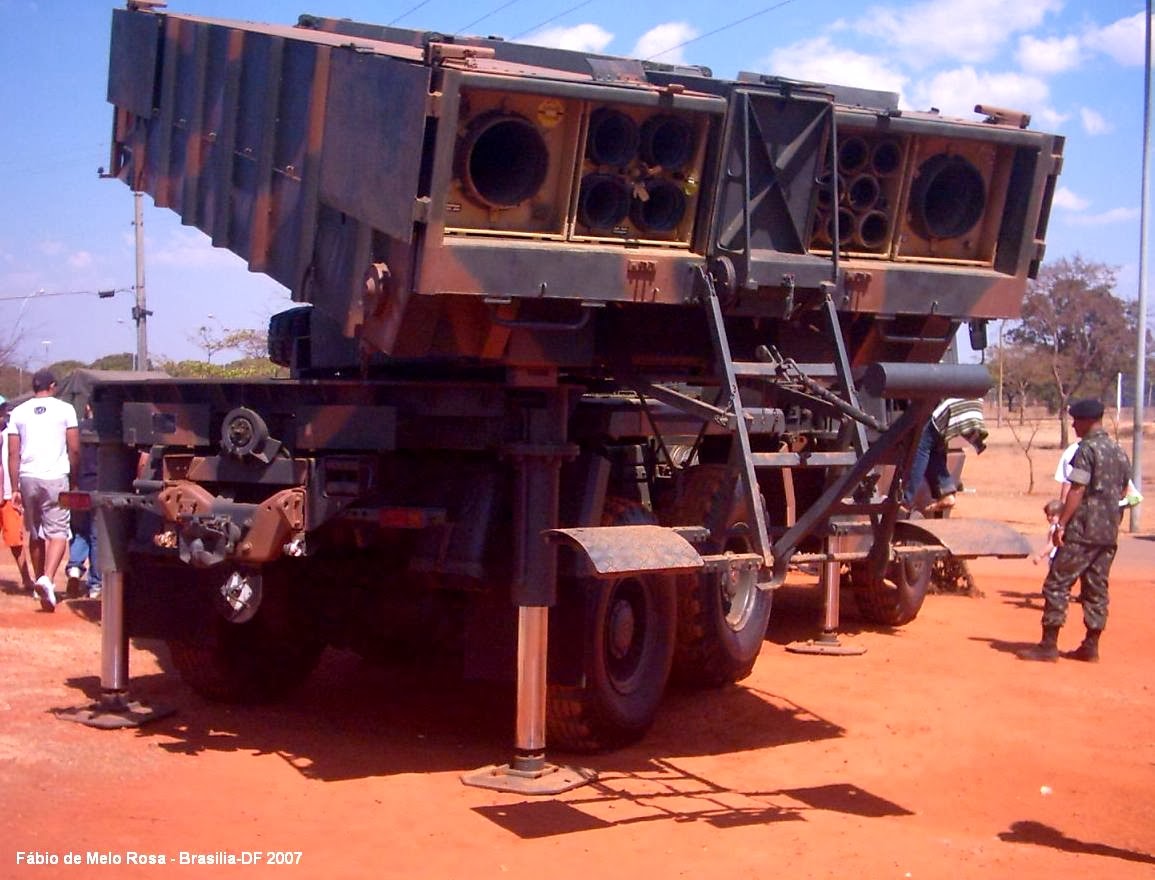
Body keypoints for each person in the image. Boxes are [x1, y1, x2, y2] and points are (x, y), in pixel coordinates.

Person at [1019, 398, 1131, 663]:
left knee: (1057, 583)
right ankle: (1091, 646)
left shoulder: (1086, 450)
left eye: (1076, 420)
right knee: (1096, 588)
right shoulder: (1118, 451)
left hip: (1083, 530)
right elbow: (1125, 490)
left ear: (1087, 421)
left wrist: (1062, 523)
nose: (1073, 425)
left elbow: (1077, 489)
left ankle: (1048, 646)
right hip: (1108, 532)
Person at [6, 370, 79, 612]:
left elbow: (13, 454)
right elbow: (74, 447)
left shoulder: (19, 411)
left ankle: (39, 581)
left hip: (28, 476)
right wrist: (74, 478)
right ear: (53, 386)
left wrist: (15, 486)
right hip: (56, 476)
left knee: (35, 531)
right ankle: (47, 578)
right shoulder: (65, 409)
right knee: (58, 530)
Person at [903, 397, 988, 513]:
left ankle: (906, 500)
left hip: (956, 405)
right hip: (974, 403)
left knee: (921, 446)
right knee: (934, 449)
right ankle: (947, 494)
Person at [65, 406, 100, 599]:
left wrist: (73, 483)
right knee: (97, 536)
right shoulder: (111, 429)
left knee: (80, 531)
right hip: (102, 487)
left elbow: (73, 455)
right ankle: (95, 585)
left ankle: (75, 568)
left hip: (80, 485)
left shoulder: (77, 428)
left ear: (87, 407)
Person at [0, 402, 34, 591]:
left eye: (1, 411)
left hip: (8, 495)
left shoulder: (13, 434)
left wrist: (16, 490)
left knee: (15, 540)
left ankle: (26, 578)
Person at [1030, 498, 1064, 567]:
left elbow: (1052, 544)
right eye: (1048, 515)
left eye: (1053, 515)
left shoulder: (1055, 528)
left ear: (1061, 515)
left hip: (1056, 558)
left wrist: (1040, 555)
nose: (1049, 517)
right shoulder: (1063, 527)